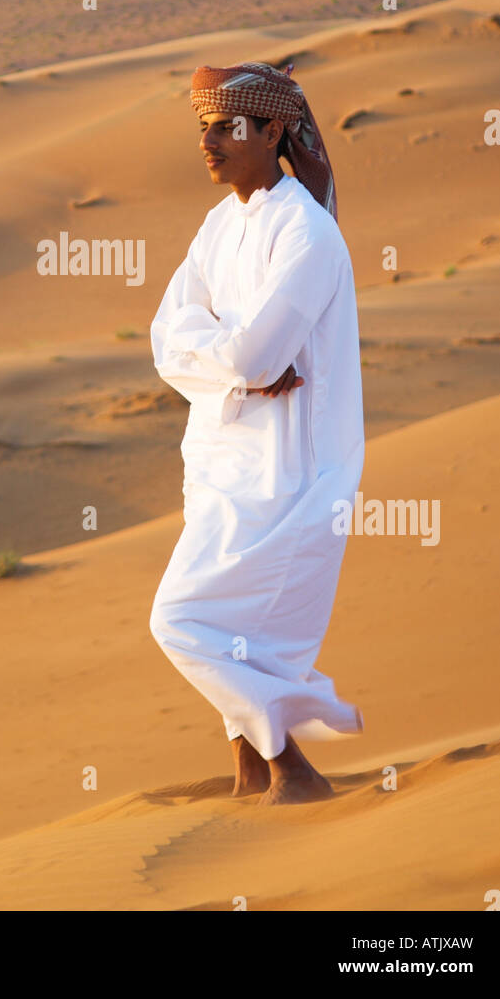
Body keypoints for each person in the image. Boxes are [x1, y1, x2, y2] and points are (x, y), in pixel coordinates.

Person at [149, 61, 364, 805]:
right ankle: (255, 773)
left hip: (289, 472)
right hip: (215, 461)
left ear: (272, 130)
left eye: (225, 127)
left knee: (183, 620)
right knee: (230, 629)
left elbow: (253, 354)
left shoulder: (307, 233)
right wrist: (235, 369)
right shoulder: (219, 225)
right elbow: (165, 339)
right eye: (202, 127)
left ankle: (295, 770)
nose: (207, 142)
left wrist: (231, 360)